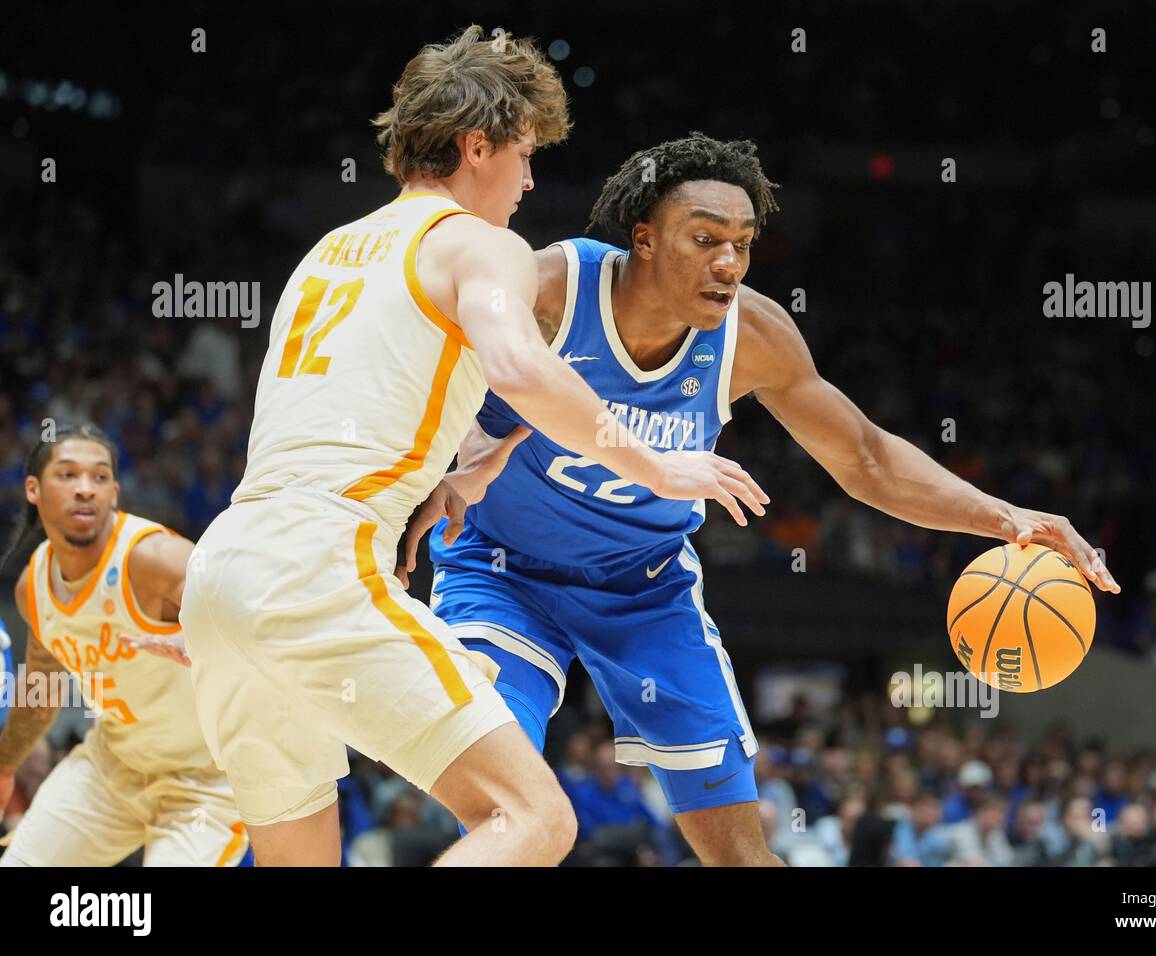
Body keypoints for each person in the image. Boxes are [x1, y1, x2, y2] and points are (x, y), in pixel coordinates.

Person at [418, 132, 1120, 866]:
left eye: (744, 244)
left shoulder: (751, 335)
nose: (728, 263)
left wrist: (1004, 517)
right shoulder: (549, 293)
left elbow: (868, 457)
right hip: (502, 571)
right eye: (705, 239)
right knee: (511, 813)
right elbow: (443, 411)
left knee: (743, 859)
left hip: (645, 586)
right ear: (645, 238)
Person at [179, 28, 765, 867]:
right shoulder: (481, 244)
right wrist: (656, 463)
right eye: (523, 155)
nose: (529, 181)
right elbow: (522, 366)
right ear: (475, 144)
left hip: (227, 567)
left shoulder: (327, 254)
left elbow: (372, 402)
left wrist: (464, 473)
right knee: (533, 821)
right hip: (319, 567)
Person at [0, 425, 247, 866]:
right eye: (68, 475)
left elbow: (250, 614)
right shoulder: (32, 588)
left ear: (114, 493)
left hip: (206, 783)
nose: (84, 490)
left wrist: (208, 638)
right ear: (33, 489)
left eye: (99, 478)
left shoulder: (153, 558)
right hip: (111, 767)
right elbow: (42, 691)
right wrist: (4, 765)